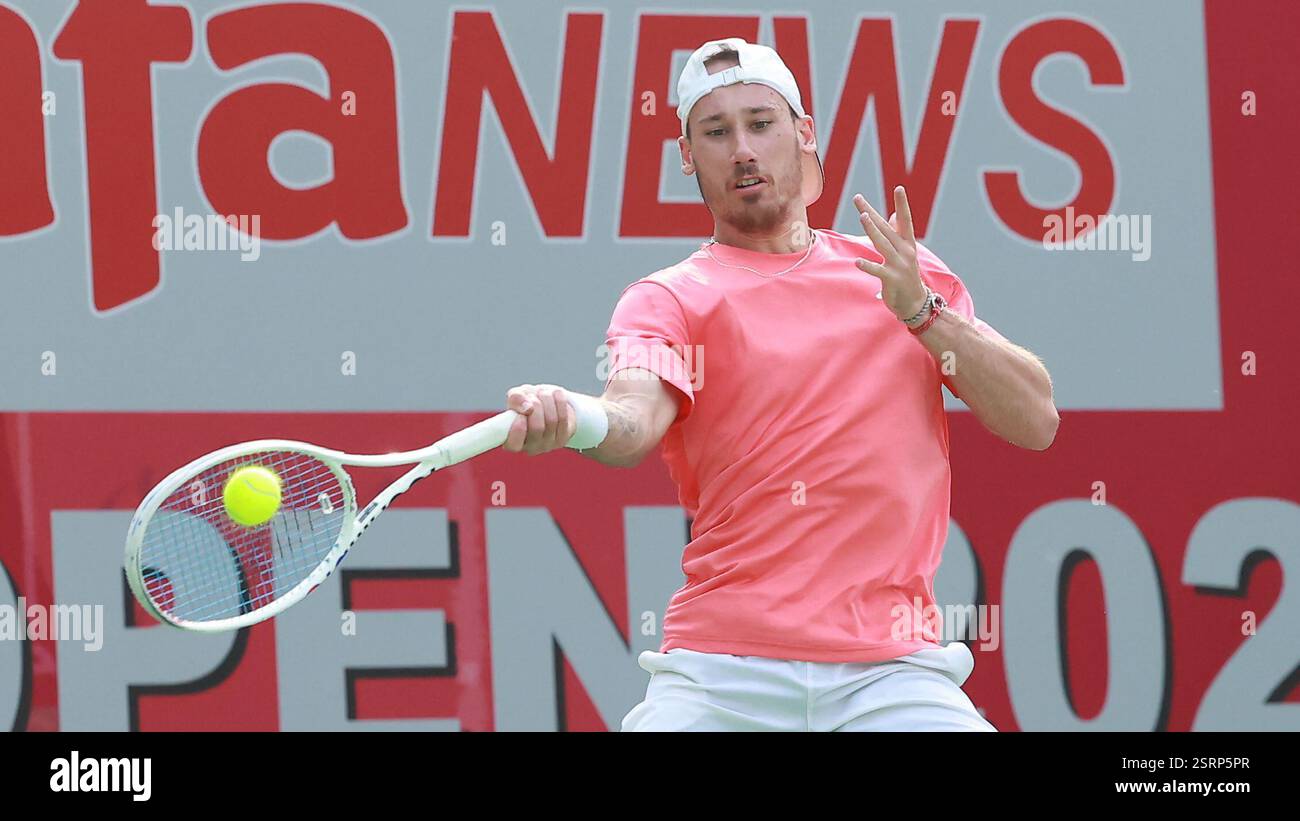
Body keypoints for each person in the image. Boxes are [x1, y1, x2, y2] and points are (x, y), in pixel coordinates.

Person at [503, 37, 1058, 731]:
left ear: (803, 135)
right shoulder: (668, 299)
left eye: (760, 124)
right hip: (722, 666)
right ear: (686, 155)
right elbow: (631, 419)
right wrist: (573, 417)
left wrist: (924, 313)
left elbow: (1037, 419)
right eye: (716, 131)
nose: (742, 149)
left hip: (892, 671)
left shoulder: (898, 273)